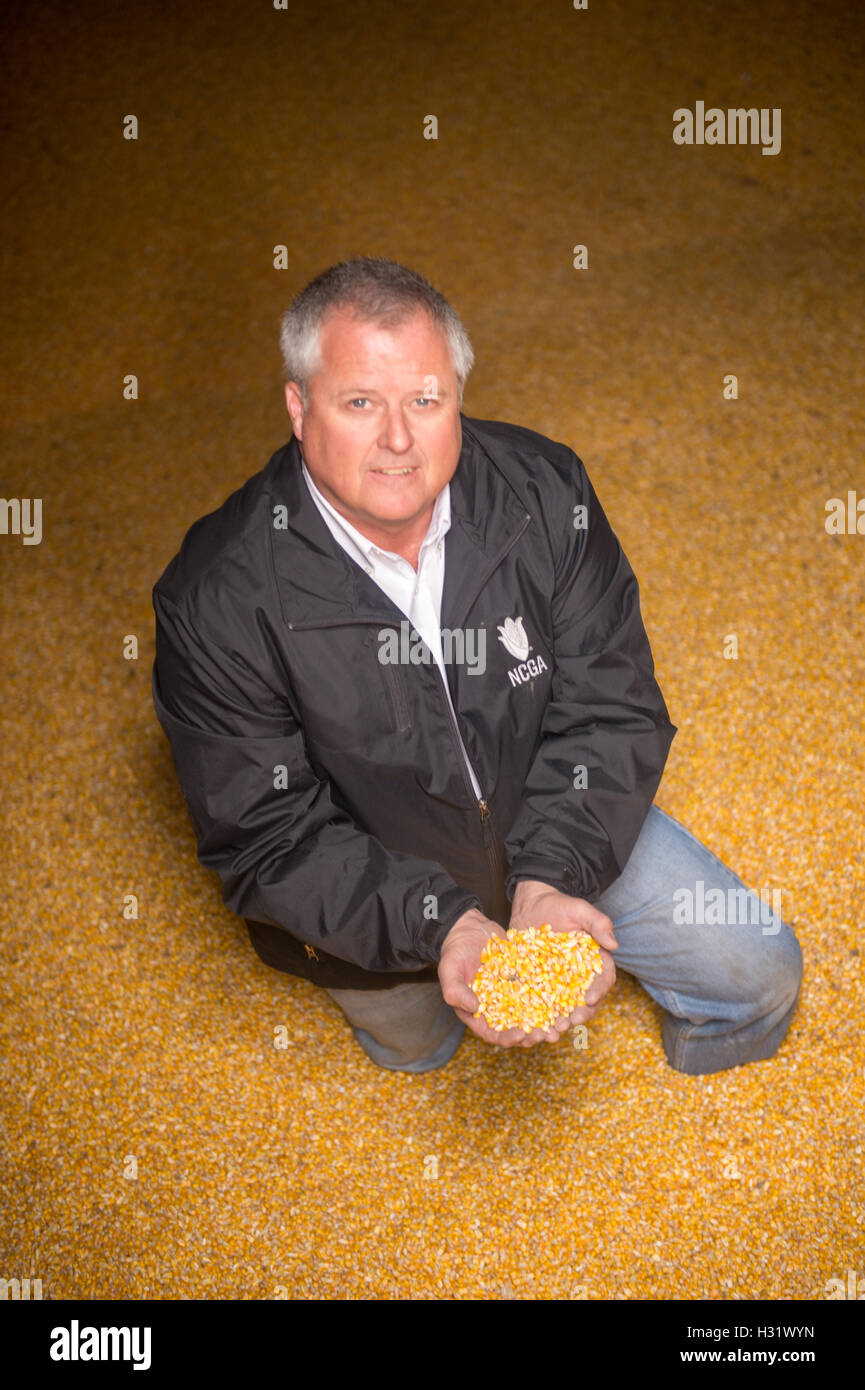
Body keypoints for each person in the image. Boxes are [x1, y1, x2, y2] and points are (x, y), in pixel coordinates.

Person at [151, 257, 802, 1075]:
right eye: (360, 403)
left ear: (457, 396)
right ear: (298, 407)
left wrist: (550, 879)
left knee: (762, 977)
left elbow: (611, 708)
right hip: (380, 877)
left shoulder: (544, 490)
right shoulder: (215, 594)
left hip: (557, 820)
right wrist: (444, 924)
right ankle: (412, 993)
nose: (397, 439)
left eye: (425, 400)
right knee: (420, 1050)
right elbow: (265, 837)